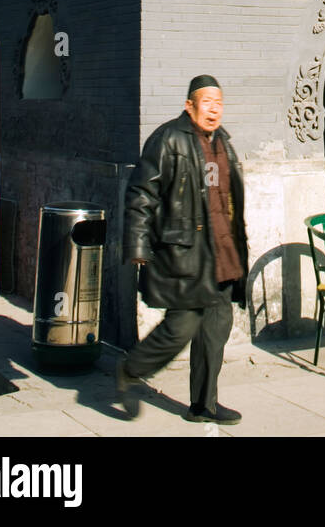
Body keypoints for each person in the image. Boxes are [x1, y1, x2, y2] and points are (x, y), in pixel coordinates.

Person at [117, 75, 248, 424]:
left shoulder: (223, 143)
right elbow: (141, 193)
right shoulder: (168, 139)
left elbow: (228, 198)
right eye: (207, 102)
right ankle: (131, 370)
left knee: (215, 330)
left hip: (222, 254)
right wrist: (138, 244)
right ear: (189, 106)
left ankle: (203, 404)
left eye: (219, 102)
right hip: (187, 253)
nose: (214, 109)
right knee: (182, 325)